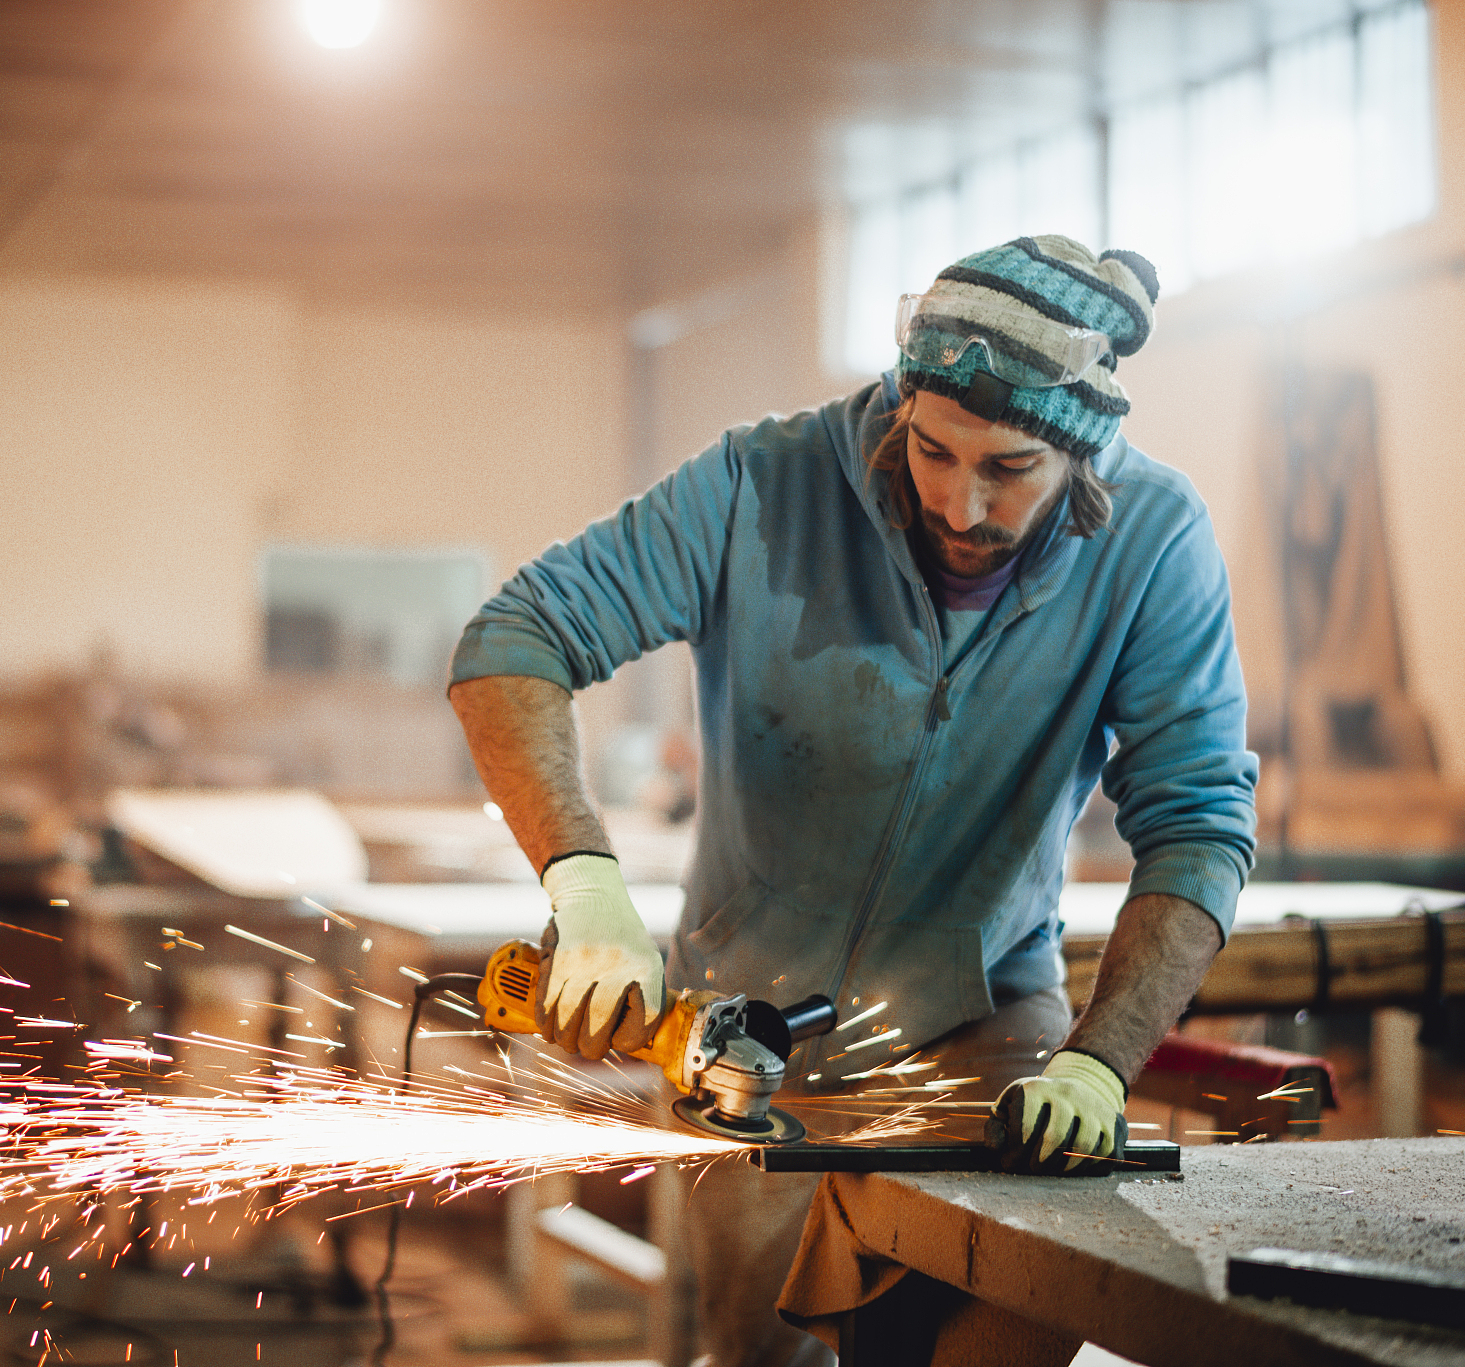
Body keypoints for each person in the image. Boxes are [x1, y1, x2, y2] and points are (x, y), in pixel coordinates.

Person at [448, 235, 1257, 1366]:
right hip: (743, 1037)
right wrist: (587, 892)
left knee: (1019, 1305)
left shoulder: (1154, 539)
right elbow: (513, 638)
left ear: (1082, 456)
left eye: (1008, 470)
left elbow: (1198, 820)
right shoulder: (760, 484)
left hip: (980, 1025)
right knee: (766, 1349)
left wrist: (1095, 1060)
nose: (958, 502)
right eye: (930, 450)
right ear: (898, 399)